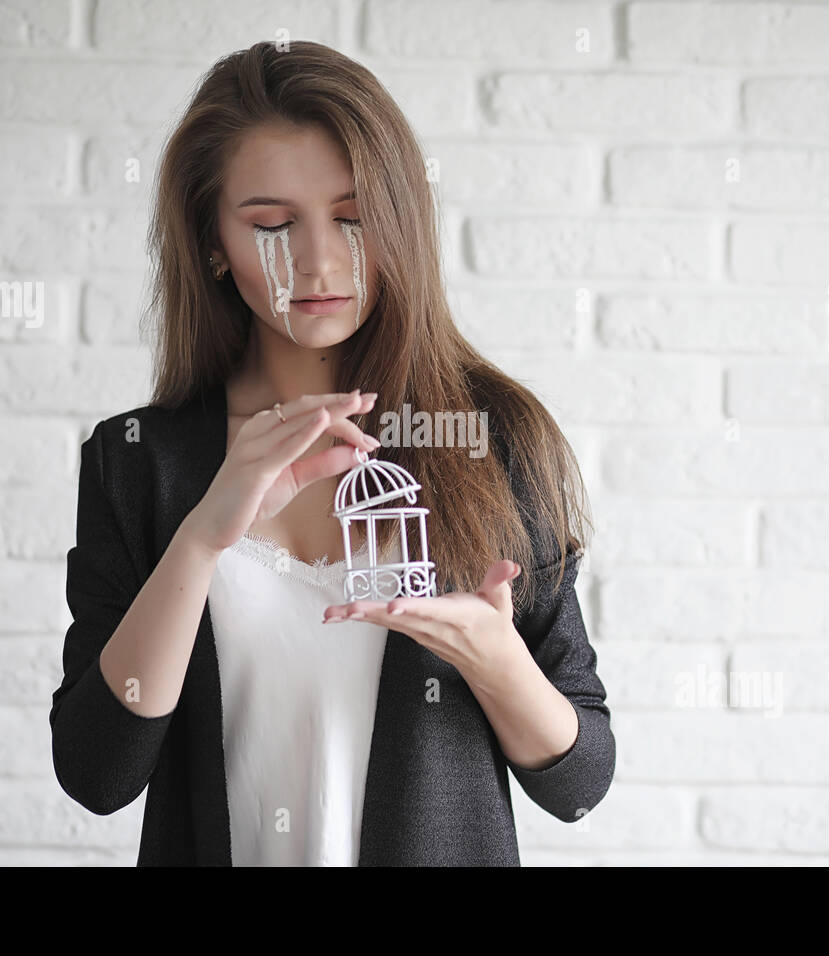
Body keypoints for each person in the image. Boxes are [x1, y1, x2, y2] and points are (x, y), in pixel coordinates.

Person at [50, 40, 615, 866]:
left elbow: (581, 782)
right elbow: (97, 773)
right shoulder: (138, 462)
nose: (319, 260)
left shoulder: (492, 438)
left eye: (353, 218)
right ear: (212, 241)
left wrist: (497, 663)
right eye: (272, 224)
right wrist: (203, 537)